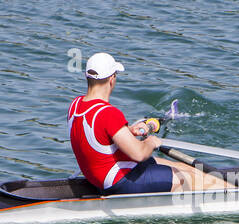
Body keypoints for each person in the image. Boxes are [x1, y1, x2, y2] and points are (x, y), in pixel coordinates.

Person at [68, 52, 229, 194]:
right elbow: (139, 154)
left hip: (103, 176)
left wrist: (128, 131)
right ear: (112, 79)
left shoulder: (75, 105)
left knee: (183, 166)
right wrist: (150, 142)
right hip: (120, 182)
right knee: (190, 179)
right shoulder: (108, 113)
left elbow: (98, 133)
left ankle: (231, 188)